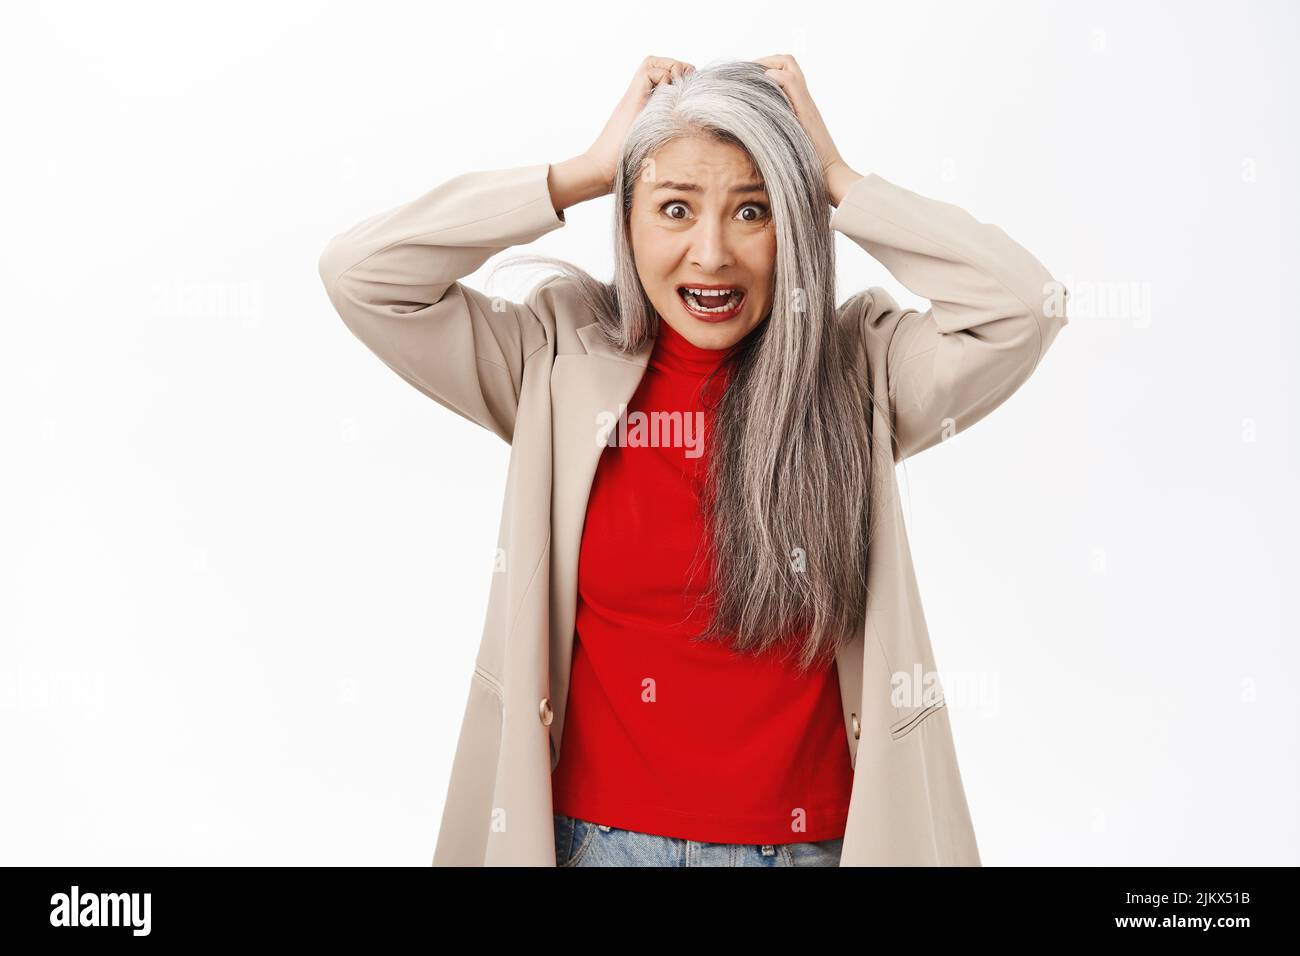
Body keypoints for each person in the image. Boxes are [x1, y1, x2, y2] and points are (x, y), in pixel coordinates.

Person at [318, 55, 1068, 867]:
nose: (711, 253)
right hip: (595, 846)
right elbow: (362, 276)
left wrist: (840, 180)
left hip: (806, 849)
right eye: (675, 208)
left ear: (794, 220)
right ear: (627, 218)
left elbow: (1024, 307)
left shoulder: (859, 370)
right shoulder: (554, 358)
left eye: (754, 210)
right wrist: (580, 174)